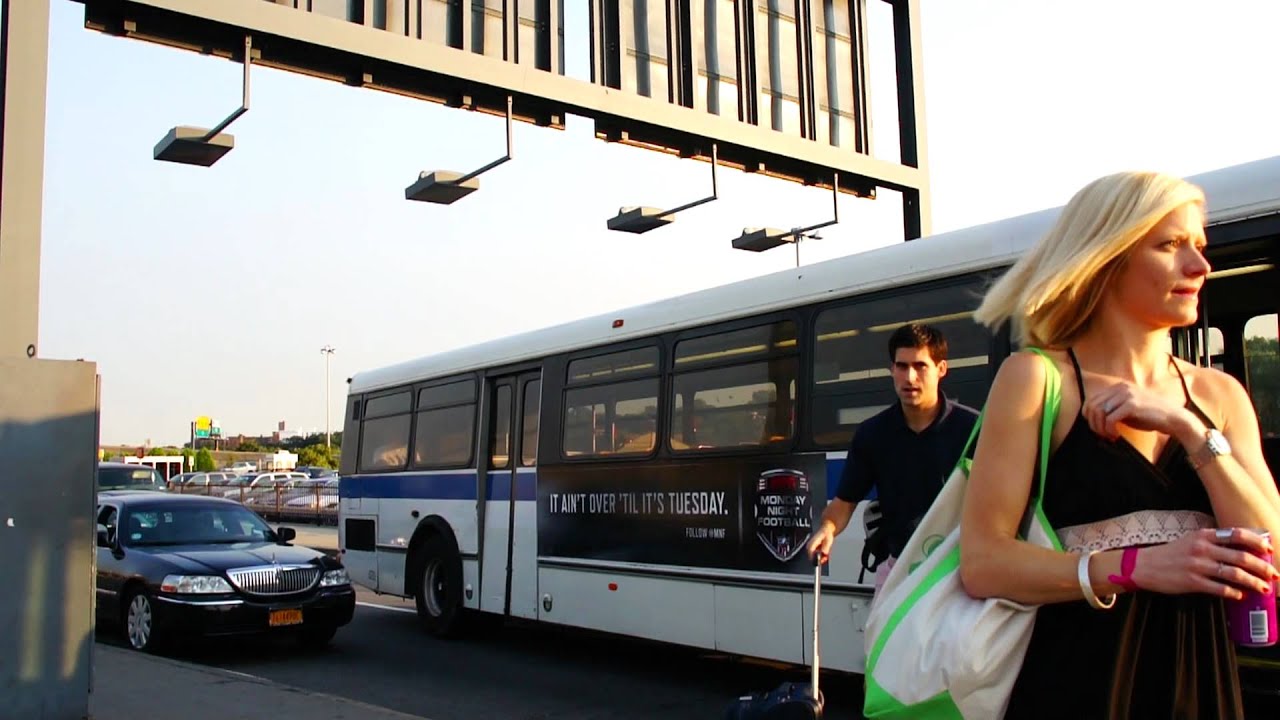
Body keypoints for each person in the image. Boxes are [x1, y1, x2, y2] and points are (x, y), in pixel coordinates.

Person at [958, 169, 1280, 718]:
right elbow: (983, 563)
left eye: (1200, 247)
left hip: (1201, 683)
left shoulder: (1219, 395)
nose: (1200, 267)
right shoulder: (1036, 379)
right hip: (1077, 682)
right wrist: (1136, 567)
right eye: (1171, 245)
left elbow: (1269, 551)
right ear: (1107, 258)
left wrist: (1189, 429)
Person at [806, 323, 979, 591]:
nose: (910, 377)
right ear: (892, 370)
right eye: (901, 366)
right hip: (899, 571)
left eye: (920, 366)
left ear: (941, 369)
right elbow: (844, 503)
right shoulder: (873, 434)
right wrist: (828, 529)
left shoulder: (973, 429)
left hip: (960, 570)